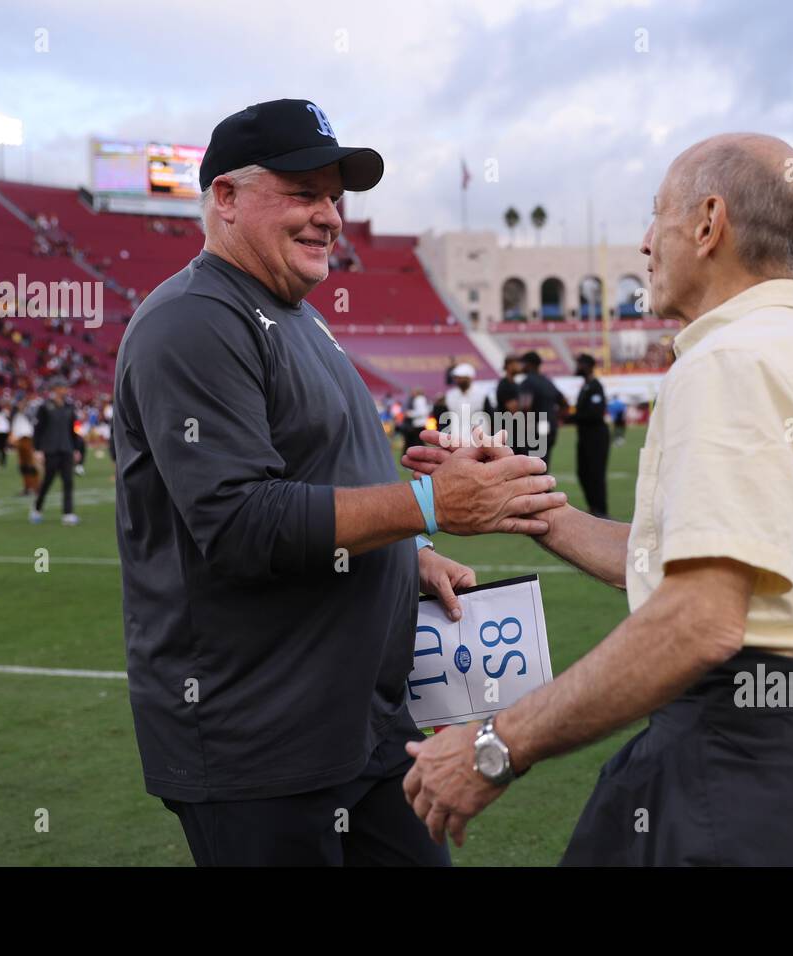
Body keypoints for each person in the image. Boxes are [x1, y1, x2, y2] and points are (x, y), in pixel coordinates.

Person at [400, 133, 793, 866]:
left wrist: (497, 746)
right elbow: (708, 570)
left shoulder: (733, 362)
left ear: (708, 222)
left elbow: (699, 619)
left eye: (655, 215)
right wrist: (535, 511)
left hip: (755, 784)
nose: (643, 243)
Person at [113, 99, 564, 867]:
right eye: (303, 192)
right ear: (224, 198)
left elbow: (320, 473)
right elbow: (240, 522)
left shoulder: (293, 314)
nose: (330, 216)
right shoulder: (192, 321)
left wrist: (406, 551)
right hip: (263, 741)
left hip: (364, 720)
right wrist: (429, 504)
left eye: (335, 197)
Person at [31, 385, 79, 525]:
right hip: (50, 449)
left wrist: (76, 448)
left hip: (66, 448)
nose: (65, 390)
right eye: (62, 388)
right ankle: (37, 508)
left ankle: (68, 513)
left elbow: (72, 430)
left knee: (68, 481)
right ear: (56, 389)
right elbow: (38, 429)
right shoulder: (45, 407)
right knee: (48, 481)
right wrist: (38, 449)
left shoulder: (69, 407)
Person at [572, 353, 610, 518]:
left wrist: (570, 417)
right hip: (585, 436)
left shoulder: (595, 386)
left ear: (587, 365)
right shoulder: (586, 386)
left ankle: (601, 511)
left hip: (596, 437)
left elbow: (595, 413)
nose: (577, 366)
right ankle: (593, 507)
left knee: (595, 473)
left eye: (579, 363)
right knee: (583, 472)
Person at [518, 351, 565, 470]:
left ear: (529, 364)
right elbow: (564, 404)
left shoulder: (527, 382)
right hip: (550, 427)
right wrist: (557, 419)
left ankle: (540, 488)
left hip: (535, 428)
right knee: (543, 465)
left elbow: (525, 408)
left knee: (533, 468)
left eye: (523, 363)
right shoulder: (548, 382)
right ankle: (544, 487)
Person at [441, 362, 480, 439]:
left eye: (461, 378)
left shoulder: (481, 395)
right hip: (456, 438)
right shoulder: (451, 395)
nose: (458, 380)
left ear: (469, 378)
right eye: (456, 378)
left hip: (476, 439)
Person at [11, 401, 39, 495]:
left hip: (27, 439)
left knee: (31, 465)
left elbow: (34, 422)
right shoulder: (15, 414)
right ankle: (27, 487)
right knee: (23, 467)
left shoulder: (29, 412)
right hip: (19, 440)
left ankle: (36, 487)